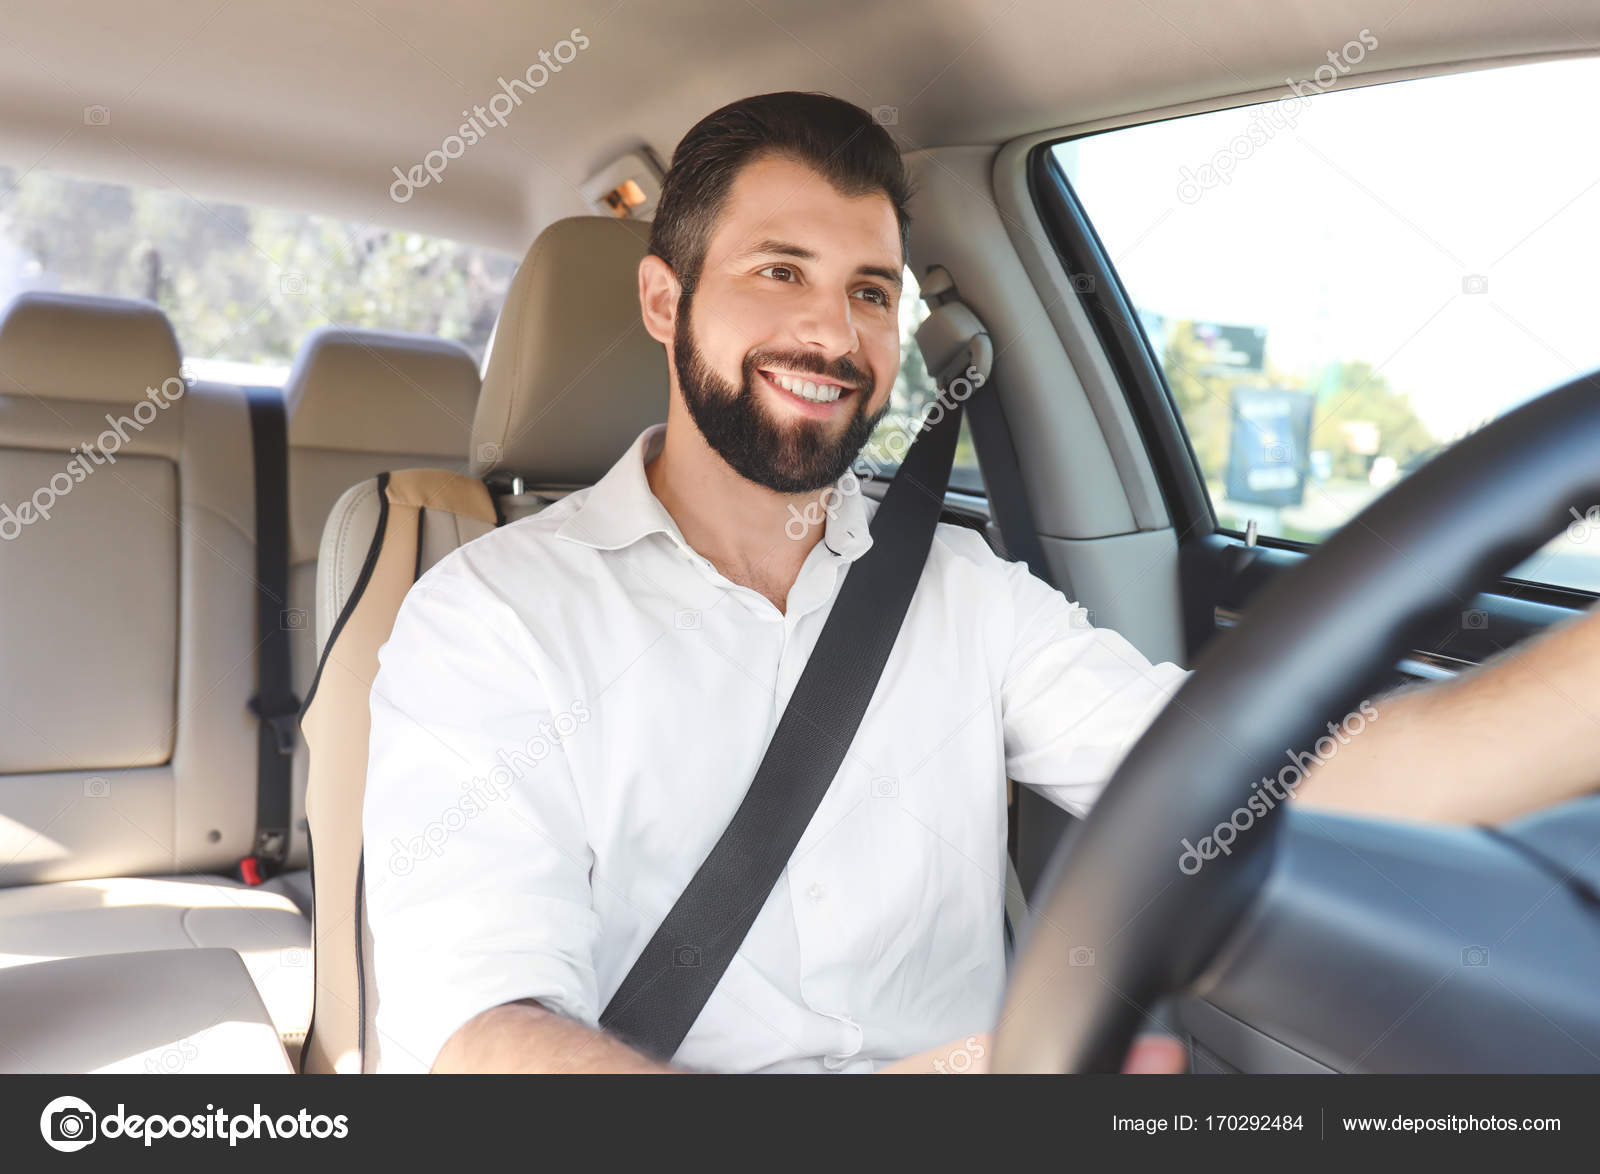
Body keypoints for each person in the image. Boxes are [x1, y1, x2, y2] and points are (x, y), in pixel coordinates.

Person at [360, 90, 1588, 1076]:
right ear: (662, 298)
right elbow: (485, 1038)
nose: (833, 336)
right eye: (777, 271)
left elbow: (1265, 780)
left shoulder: (963, 594)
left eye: (871, 292)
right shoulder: (493, 617)